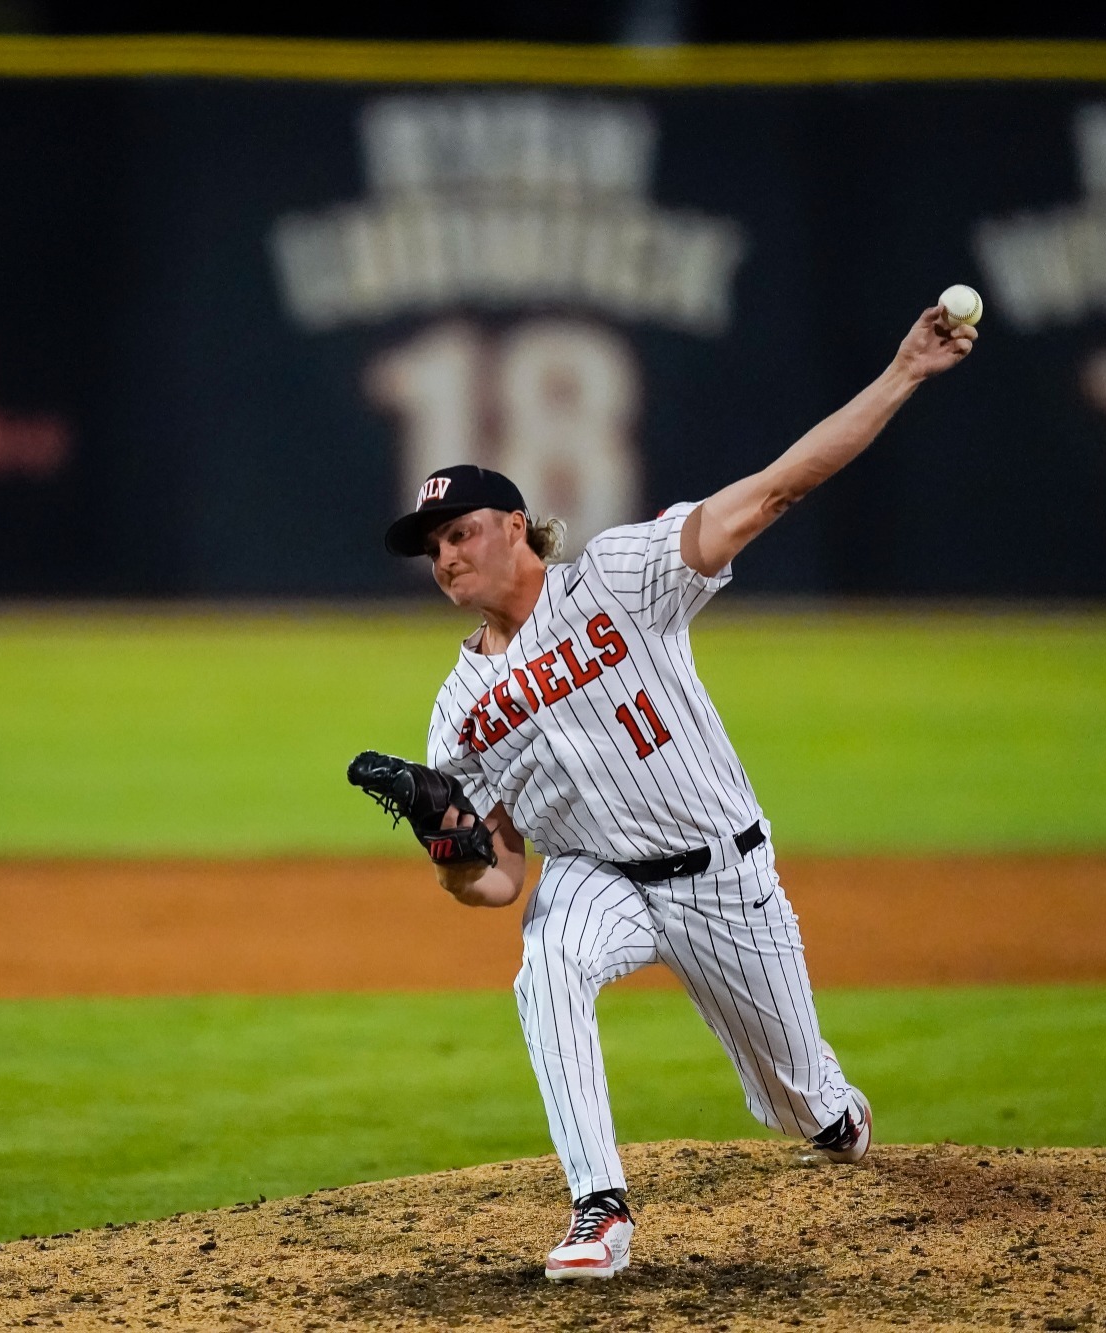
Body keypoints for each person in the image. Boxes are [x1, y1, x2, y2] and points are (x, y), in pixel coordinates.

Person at [379, 304, 977, 1281]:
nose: (446, 554)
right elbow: (497, 881)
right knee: (546, 967)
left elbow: (779, 488)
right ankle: (597, 1208)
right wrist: (443, 840)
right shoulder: (458, 713)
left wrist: (903, 371)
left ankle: (831, 1111)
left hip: (721, 878)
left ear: (519, 527)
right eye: (432, 544)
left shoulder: (621, 576)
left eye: (462, 531)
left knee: (798, 1101)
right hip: (591, 877)